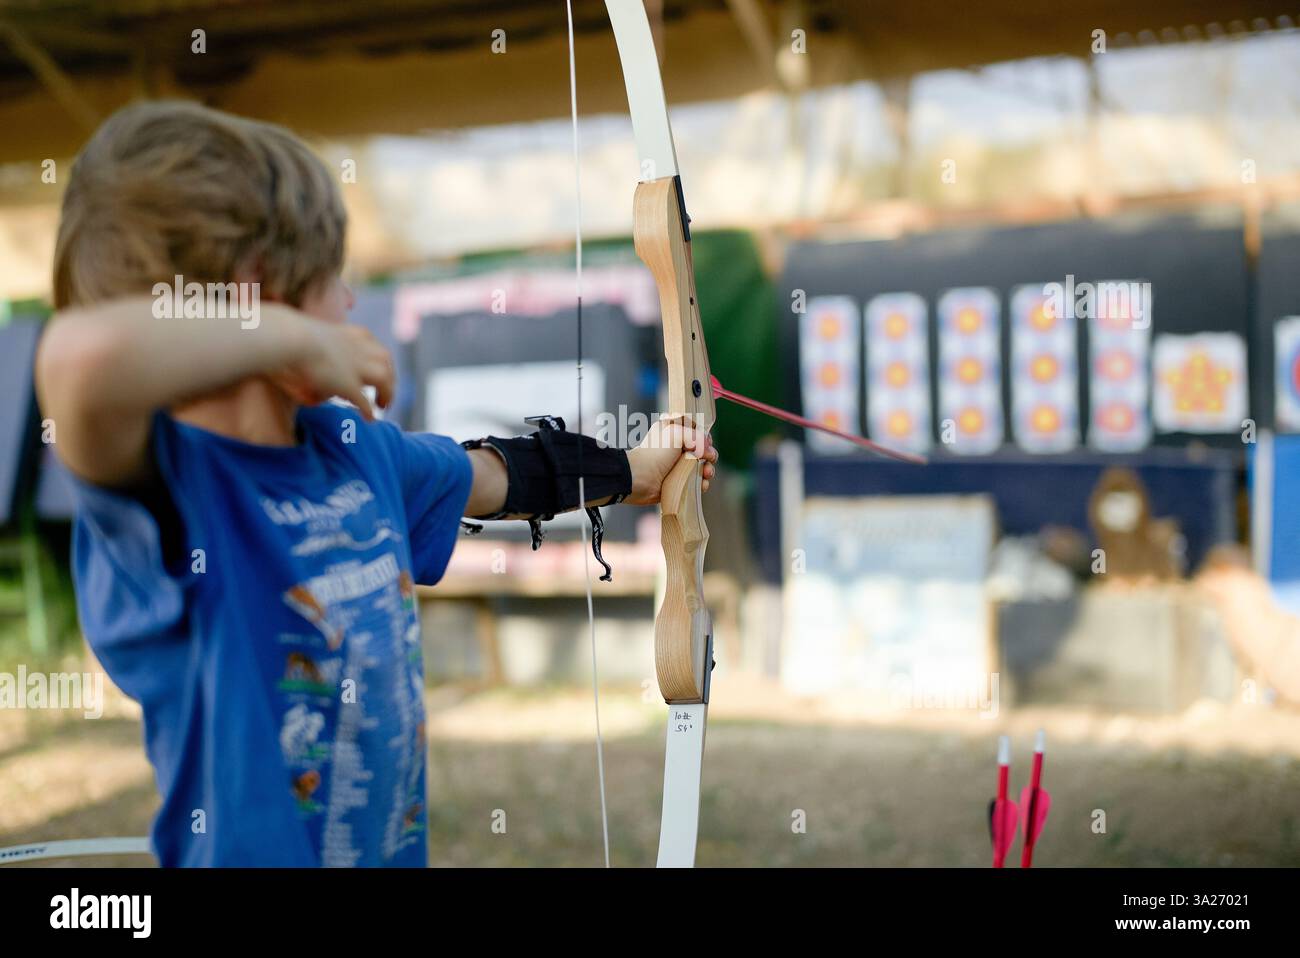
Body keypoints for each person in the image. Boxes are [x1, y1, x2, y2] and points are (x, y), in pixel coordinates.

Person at [35, 100, 716, 866]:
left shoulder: (358, 454)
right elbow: (77, 360)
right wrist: (287, 336)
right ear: (260, 285)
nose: (350, 304)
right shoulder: (166, 495)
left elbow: (508, 475)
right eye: (331, 279)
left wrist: (638, 469)